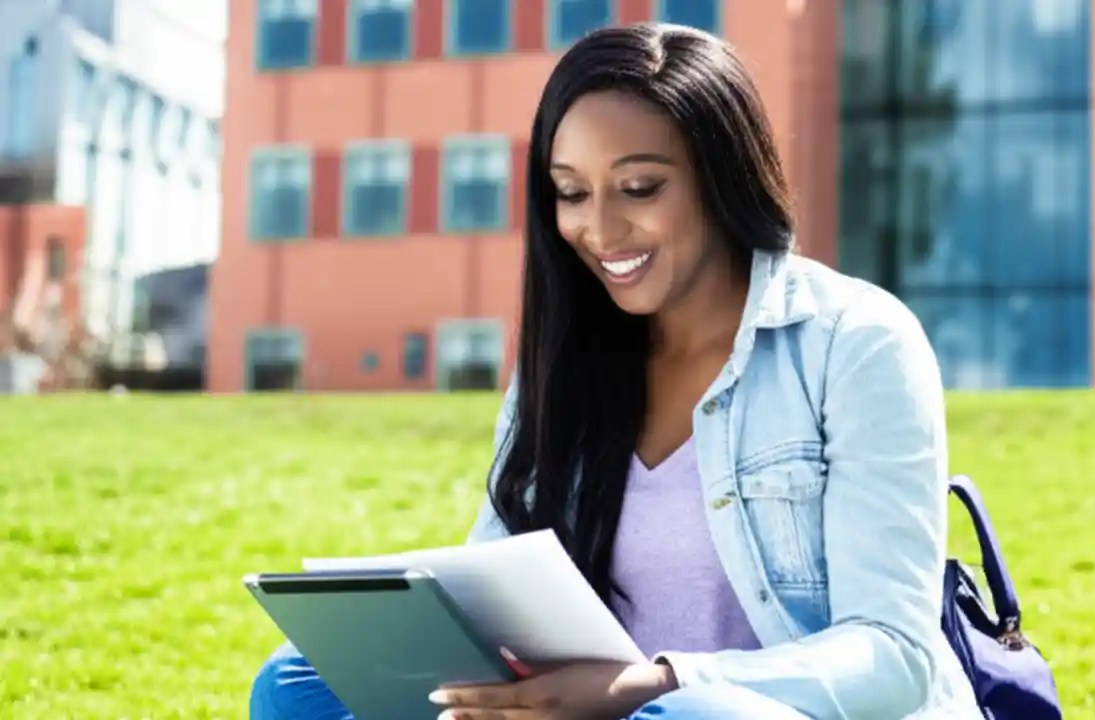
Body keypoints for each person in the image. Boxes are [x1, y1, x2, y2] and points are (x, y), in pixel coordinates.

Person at [250, 22, 983, 720]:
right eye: (571, 193)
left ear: (721, 178)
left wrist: (647, 685)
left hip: (722, 709)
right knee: (295, 682)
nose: (599, 231)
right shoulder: (564, 359)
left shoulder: (857, 343)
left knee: (688, 713)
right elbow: (489, 579)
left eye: (639, 189)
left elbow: (892, 655)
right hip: (598, 710)